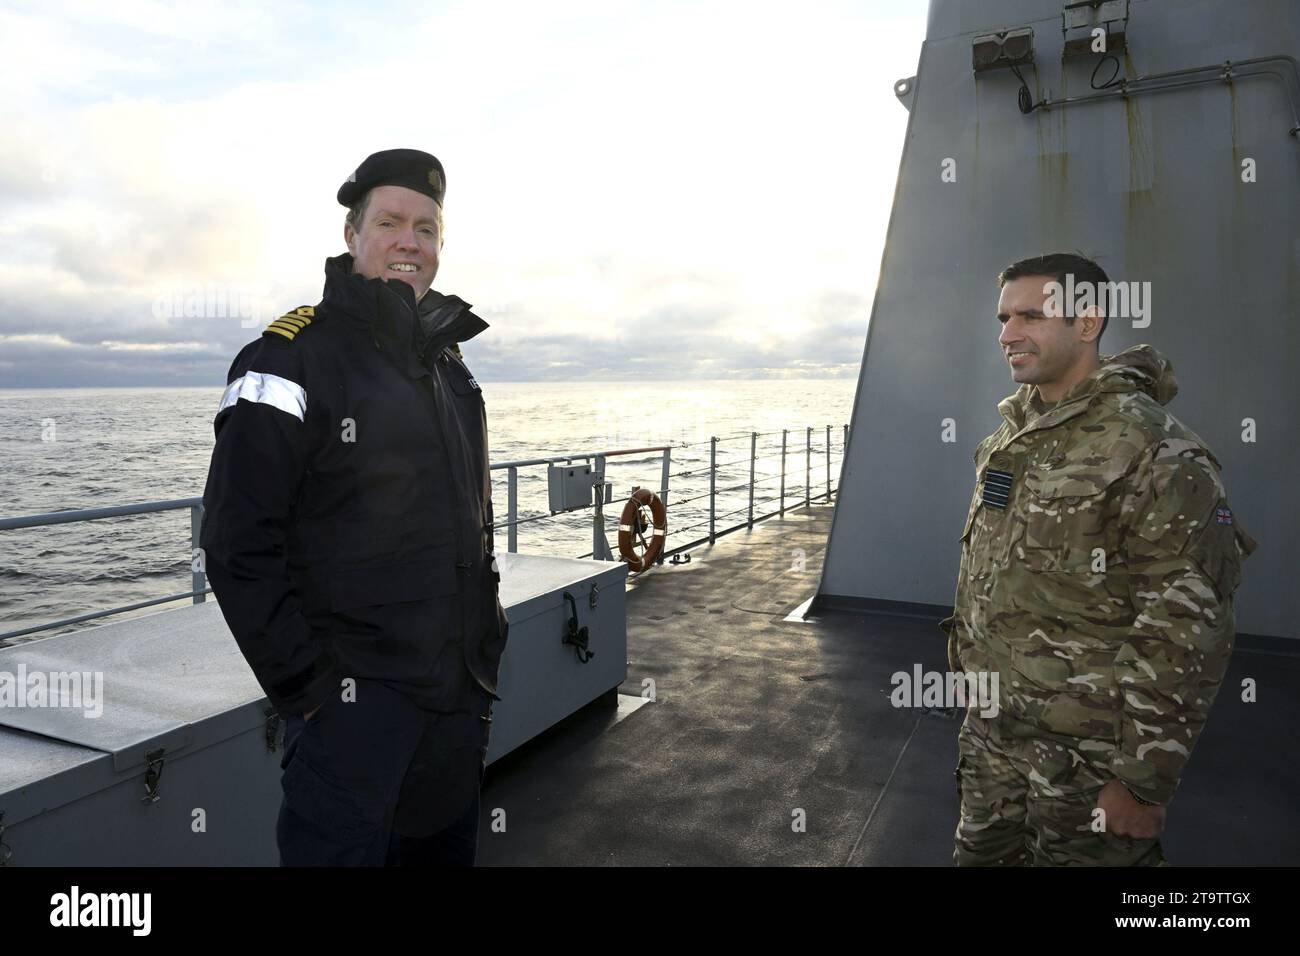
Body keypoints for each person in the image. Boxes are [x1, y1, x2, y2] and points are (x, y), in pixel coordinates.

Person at [199, 148, 509, 866]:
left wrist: (484, 648)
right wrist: (307, 691)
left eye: (426, 229)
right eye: (391, 222)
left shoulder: (446, 363)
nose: (410, 241)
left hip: (456, 708)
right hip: (351, 719)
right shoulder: (288, 360)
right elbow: (237, 542)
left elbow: (474, 522)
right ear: (352, 235)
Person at [942, 252, 1256, 866]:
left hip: (1088, 762)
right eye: (1004, 317)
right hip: (992, 739)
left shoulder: (1154, 448)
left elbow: (1188, 624)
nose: (1007, 334)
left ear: (1087, 324)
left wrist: (1142, 781)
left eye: (1030, 316)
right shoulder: (1008, 440)